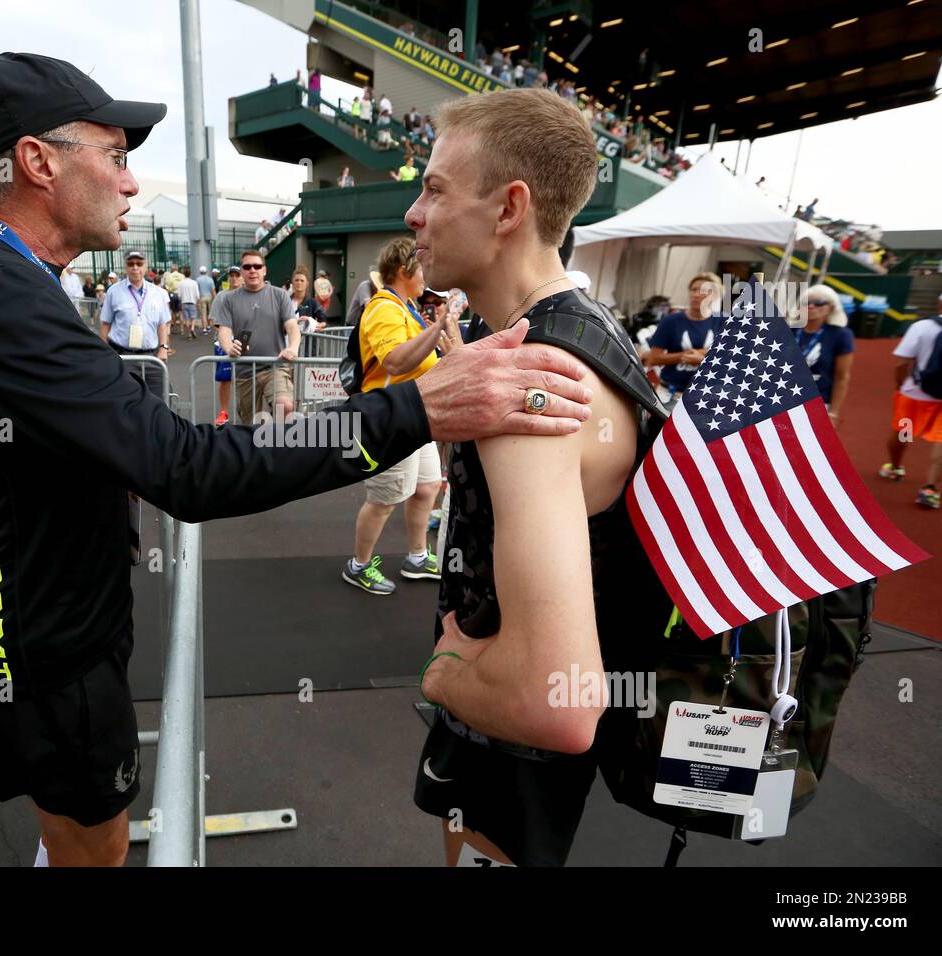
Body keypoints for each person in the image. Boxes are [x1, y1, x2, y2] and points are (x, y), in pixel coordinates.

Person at [0, 52, 593, 869]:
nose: (129, 183)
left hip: (42, 631)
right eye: (116, 157)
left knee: (85, 836)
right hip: (45, 653)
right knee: (95, 846)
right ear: (37, 161)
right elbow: (187, 468)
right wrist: (418, 407)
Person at [405, 87, 665, 867]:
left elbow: (556, 704)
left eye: (435, 188)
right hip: (513, 760)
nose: (414, 213)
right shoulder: (584, 329)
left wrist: (443, 671)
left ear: (509, 207)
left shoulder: (531, 382)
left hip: (511, 757)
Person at [344, 237, 461, 595]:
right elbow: (394, 360)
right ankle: (359, 565)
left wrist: (439, 329)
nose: (427, 275)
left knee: (426, 488)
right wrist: (438, 328)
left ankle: (416, 556)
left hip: (414, 416)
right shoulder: (384, 308)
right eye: (422, 267)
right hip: (389, 418)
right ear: (403, 270)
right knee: (385, 499)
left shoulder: (406, 307)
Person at [881, 286, 942, 509]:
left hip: (916, 394)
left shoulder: (922, 326)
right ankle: (930, 489)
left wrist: (900, 385)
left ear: (941, 303)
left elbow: (903, 362)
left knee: (904, 431)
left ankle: (895, 468)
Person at [212, 249, 299, 424]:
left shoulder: (279, 295)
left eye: (257, 266)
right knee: (250, 424)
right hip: (244, 371)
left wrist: (293, 348)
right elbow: (224, 330)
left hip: (274, 366)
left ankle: (279, 443)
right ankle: (259, 445)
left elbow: (292, 326)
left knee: (285, 405)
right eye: (248, 266)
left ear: (264, 270)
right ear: (242, 271)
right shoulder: (229, 299)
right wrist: (229, 347)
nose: (253, 270)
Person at [98, 249, 170, 398]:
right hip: (124, 358)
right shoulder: (113, 292)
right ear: (125, 266)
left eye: (139, 263)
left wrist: (163, 348)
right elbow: (106, 324)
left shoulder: (158, 293)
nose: (135, 267)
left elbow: (162, 325)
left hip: (152, 358)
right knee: (127, 401)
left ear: (145, 266)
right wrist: (105, 353)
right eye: (131, 263)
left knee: (157, 400)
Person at [643, 272, 724, 404]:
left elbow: (730, 358)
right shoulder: (672, 321)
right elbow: (653, 358)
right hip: (669, 393)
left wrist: (702, 359)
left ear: (714, 295)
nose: (696, 294)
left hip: (705, 397)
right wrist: (685, 355)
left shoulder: (723, 322)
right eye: (693, 289)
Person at [795, 284, 854, 428]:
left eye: (819, 303)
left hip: (818, 404)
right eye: (806, 303)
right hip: (782, 403)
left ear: (831, 308)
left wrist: (833, 413)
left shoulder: (840, 335)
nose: (811, 306)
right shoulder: (788, 330)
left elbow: (842, 377)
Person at [211, 264, 242, 425]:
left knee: (248, 378)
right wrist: (226, 335)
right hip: (224, 343)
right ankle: (224, 412)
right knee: (225, 379)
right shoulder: (221, 296)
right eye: (232, 275)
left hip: (245, 342)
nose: (234, 278)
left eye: (237, 275)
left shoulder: (249, 295)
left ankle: (246, 411)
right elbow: (214, 321)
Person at [288, 266, 327, 334]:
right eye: (296, 280)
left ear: (307, 284)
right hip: (289, 342)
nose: (299, 283)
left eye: (302, 280)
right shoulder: (286, 301)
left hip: (308, 342)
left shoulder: (312, 302)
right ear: (292, 282)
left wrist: (314, 323)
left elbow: (324, 321)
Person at [177, 265, 200, 340]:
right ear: (190, 274)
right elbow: (197, 294)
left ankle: (189, 334)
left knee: (186, 319)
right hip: (192, 302)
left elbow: (179, 295)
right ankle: (192, 328)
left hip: (184, 302)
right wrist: (197, 302)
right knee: (193, 317)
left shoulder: (181, 283)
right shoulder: (194, 283)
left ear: (184, 274)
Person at [196, 264, 215, 334]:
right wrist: (215, 299)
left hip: (202, 297)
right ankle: (209, 326)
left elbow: (197, 290)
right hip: (209, 296)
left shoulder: (197, 279)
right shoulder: (210, 279)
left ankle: (204, 329)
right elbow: (213, 290)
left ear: (200, 272)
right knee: (209, 313)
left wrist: (197, 301)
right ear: (206, 271)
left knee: (203, 314)